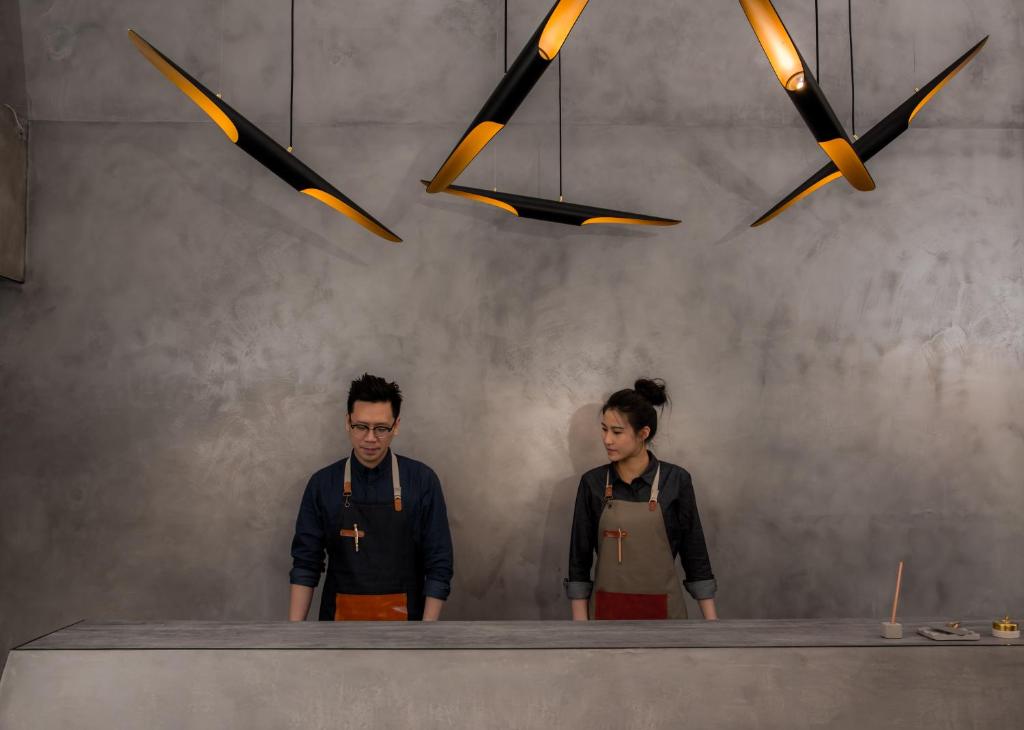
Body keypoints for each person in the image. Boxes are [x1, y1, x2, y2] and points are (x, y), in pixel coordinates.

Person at [288, 373, 454, 621]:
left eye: (381, 428)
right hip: (336, 634)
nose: (370, 438)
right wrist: (294, 633)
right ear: (348, 422)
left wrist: (425, 635)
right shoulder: (322, 484)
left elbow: (439, 566)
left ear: (396, 426)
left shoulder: (422, 481)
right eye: (361, 426)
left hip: (407, 633)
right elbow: (305, 564)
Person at [565, 378, 718, 620]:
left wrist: (713, 625)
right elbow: (579, 560)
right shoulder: (592, 484)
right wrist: (580, 629)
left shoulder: (676, 480)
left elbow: (694, 551)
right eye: (604, 429)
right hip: (605, 615)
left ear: (643, 433)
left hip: (665, 615)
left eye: (617, 432)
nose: (607, 440)